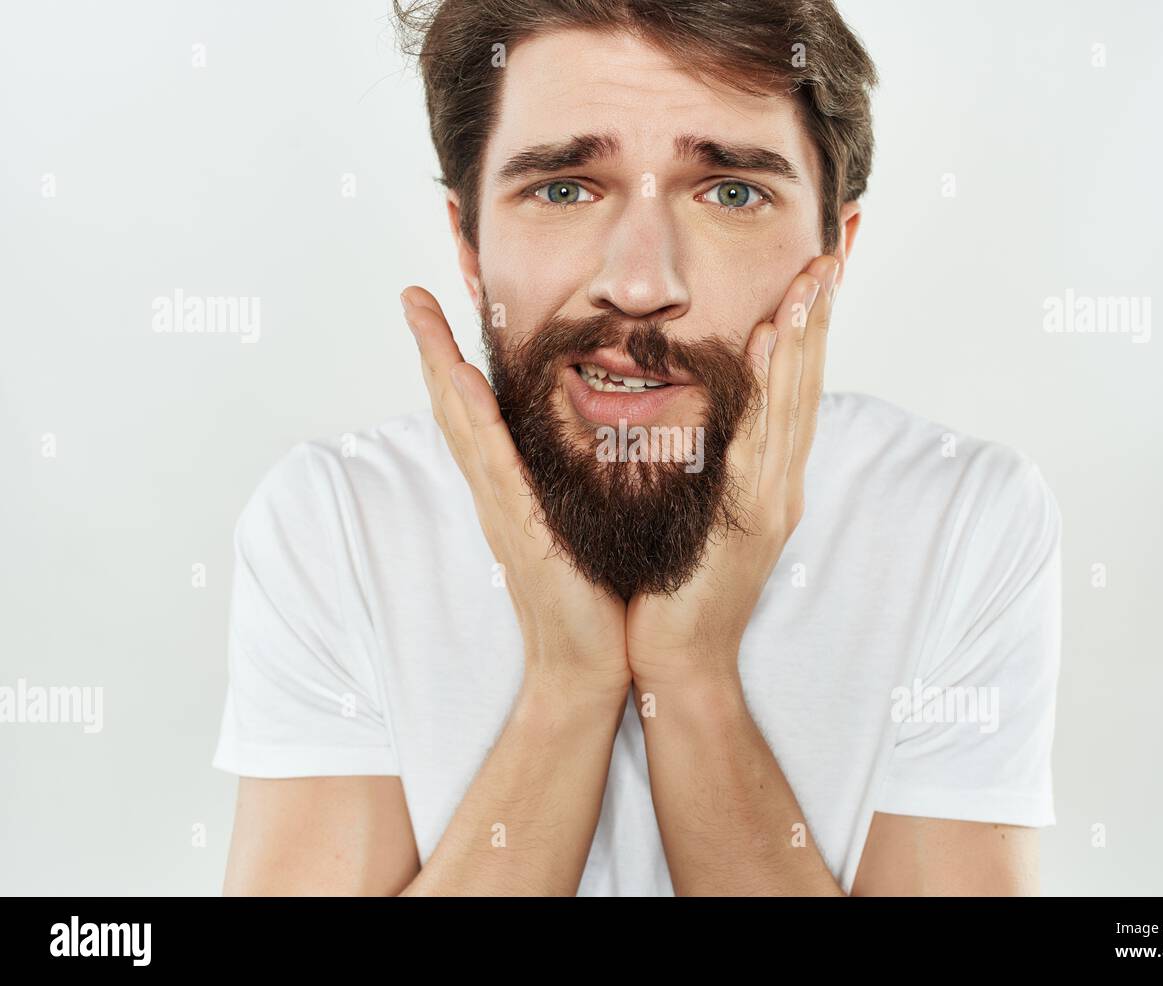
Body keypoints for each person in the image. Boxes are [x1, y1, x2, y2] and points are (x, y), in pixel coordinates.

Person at [213, 0, 1062, 896]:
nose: (642, 283)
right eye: (564, 188)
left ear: (834, 252)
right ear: (468, 244)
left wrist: (691, 673)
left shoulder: (960, 520)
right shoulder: (337, 523)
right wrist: (569, 679)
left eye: (732, 192)